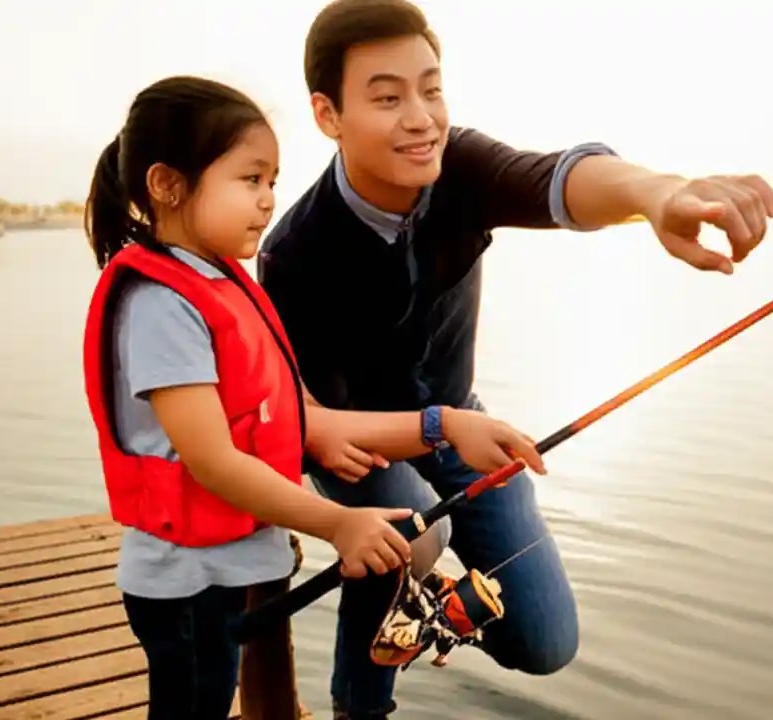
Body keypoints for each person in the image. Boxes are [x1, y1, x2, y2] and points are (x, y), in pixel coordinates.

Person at [258, 1, 773, 717]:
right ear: (329, 114)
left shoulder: (459, 166)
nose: (420, 117)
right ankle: (361, 702)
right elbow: (319, 427)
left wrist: (659, 192)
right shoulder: (294, 254)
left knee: (545, 643)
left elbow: (556, 178)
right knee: (413, 525)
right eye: (387, 97)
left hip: (463, 430)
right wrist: (433, 431)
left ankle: (439, 608)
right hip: (362, 449)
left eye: (431, 89)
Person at [79, 74, 548, 720]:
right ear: (166, 185)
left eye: (273, 181)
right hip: (182, 583)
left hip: (222, 574)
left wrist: (447, 425)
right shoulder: (163, 306)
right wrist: (337, 521)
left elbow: (303, 422)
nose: (269, 200)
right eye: (250, 180)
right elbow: (212, 462)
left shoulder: (225, 284)